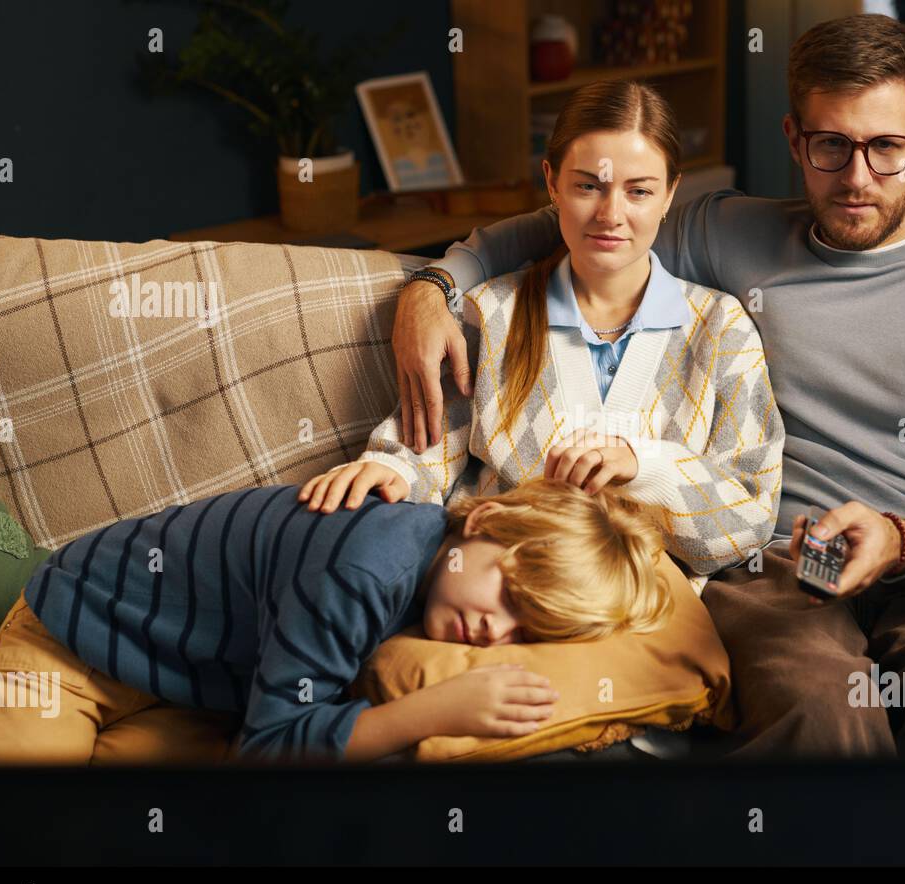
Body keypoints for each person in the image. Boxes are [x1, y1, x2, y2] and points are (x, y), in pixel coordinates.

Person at [383, 15, 905, 757]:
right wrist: (434, 285)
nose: (855, 178)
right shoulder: (727, 233)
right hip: (771, 565)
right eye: (831, 146)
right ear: (794, 140)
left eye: (886, 148)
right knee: (823, 723)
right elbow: (588, 218)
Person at [298, 78, 785, 580]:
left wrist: (646, 467)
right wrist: (390, 472)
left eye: (638, 191)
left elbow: (747, 526)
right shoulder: (488, 314)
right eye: (588, 186)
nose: (611, 215)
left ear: (670, 194)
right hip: (498, 598)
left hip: (644, 617)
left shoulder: (723, 330)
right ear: (552, 183)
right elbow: (424, 451)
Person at [0, 478, 673, 765]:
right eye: (510, 598)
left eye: (525, 632)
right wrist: (430, 711)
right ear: (481, 520)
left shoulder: (440, 569)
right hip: (76, 633)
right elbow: (269, 748)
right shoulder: (366, 568)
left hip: (193, 687)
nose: (496, 632)